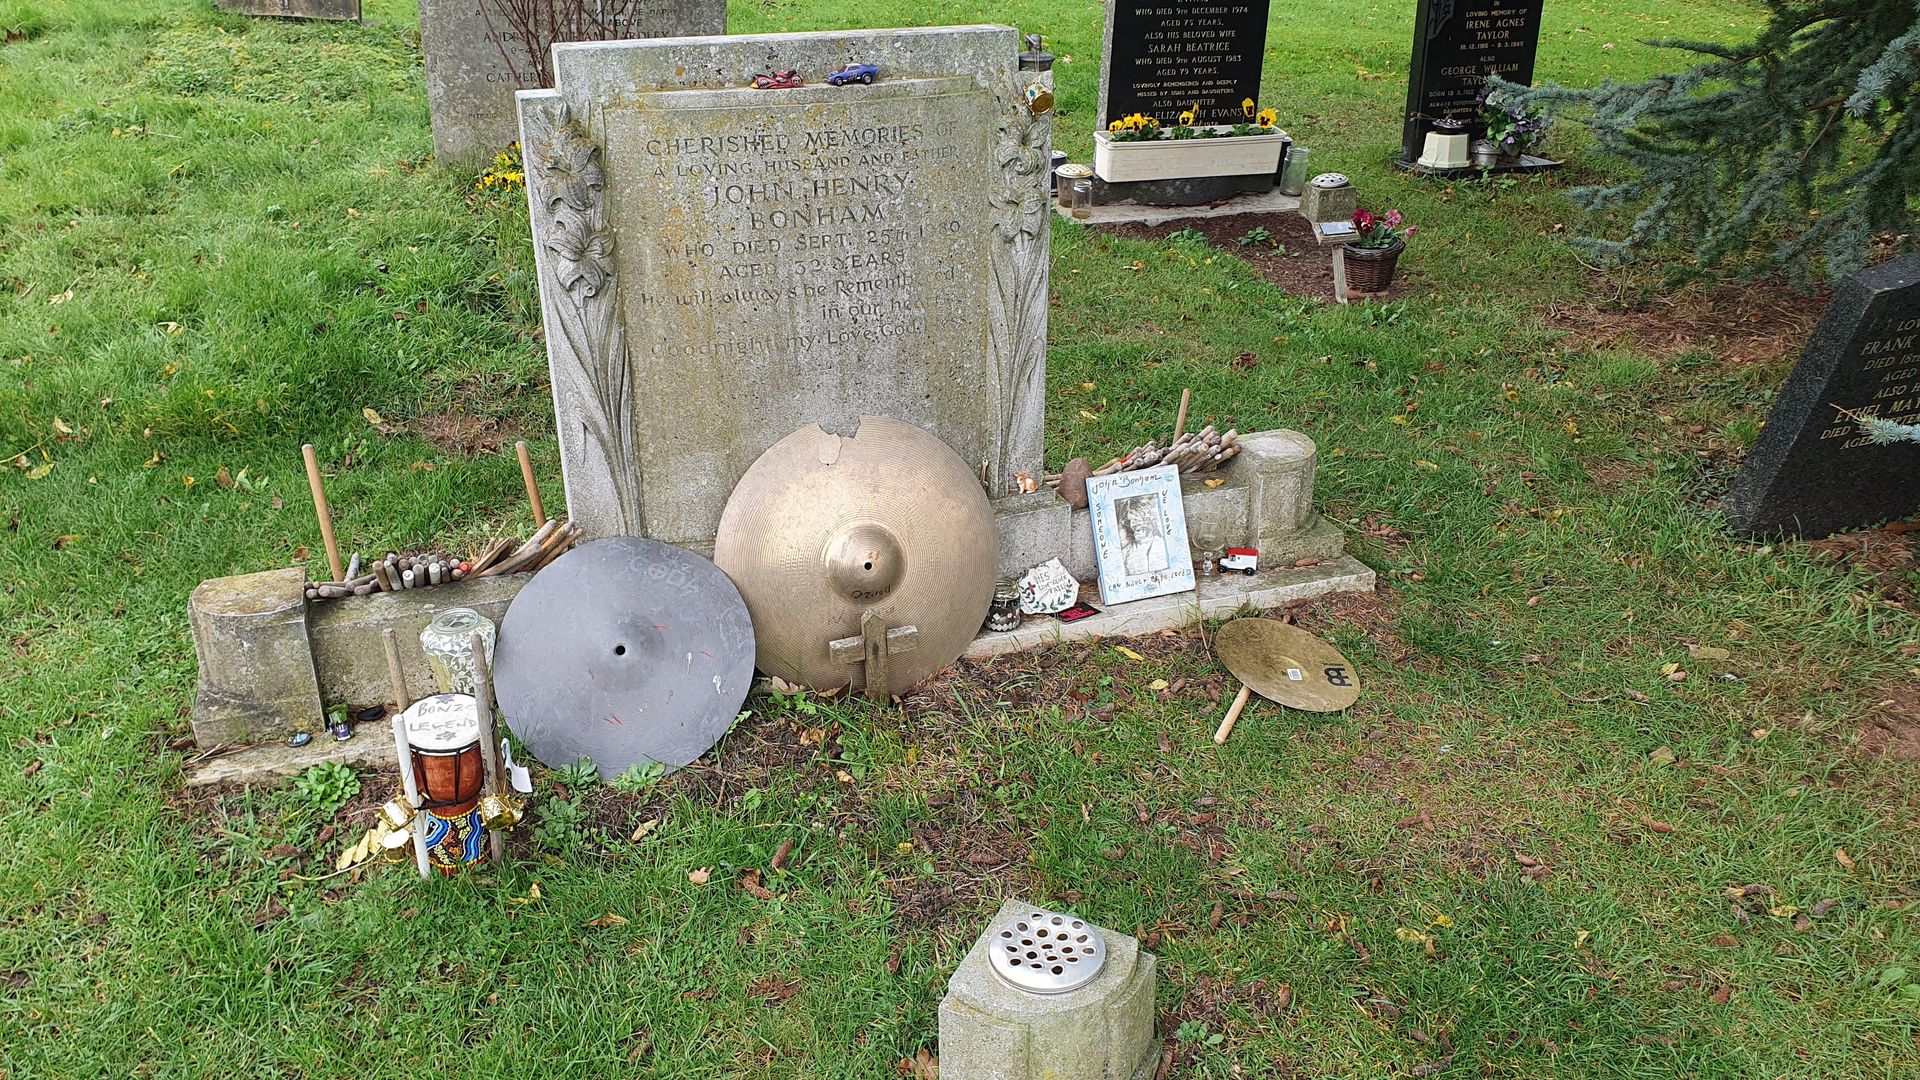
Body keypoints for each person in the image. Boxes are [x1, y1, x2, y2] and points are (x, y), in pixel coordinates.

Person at [1116, 495, 1169, 576]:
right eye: (1129, 520)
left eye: (1136, 519)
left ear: (1148, 519)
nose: (1132, 525)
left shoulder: (1164, 546)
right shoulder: (1126, 553)